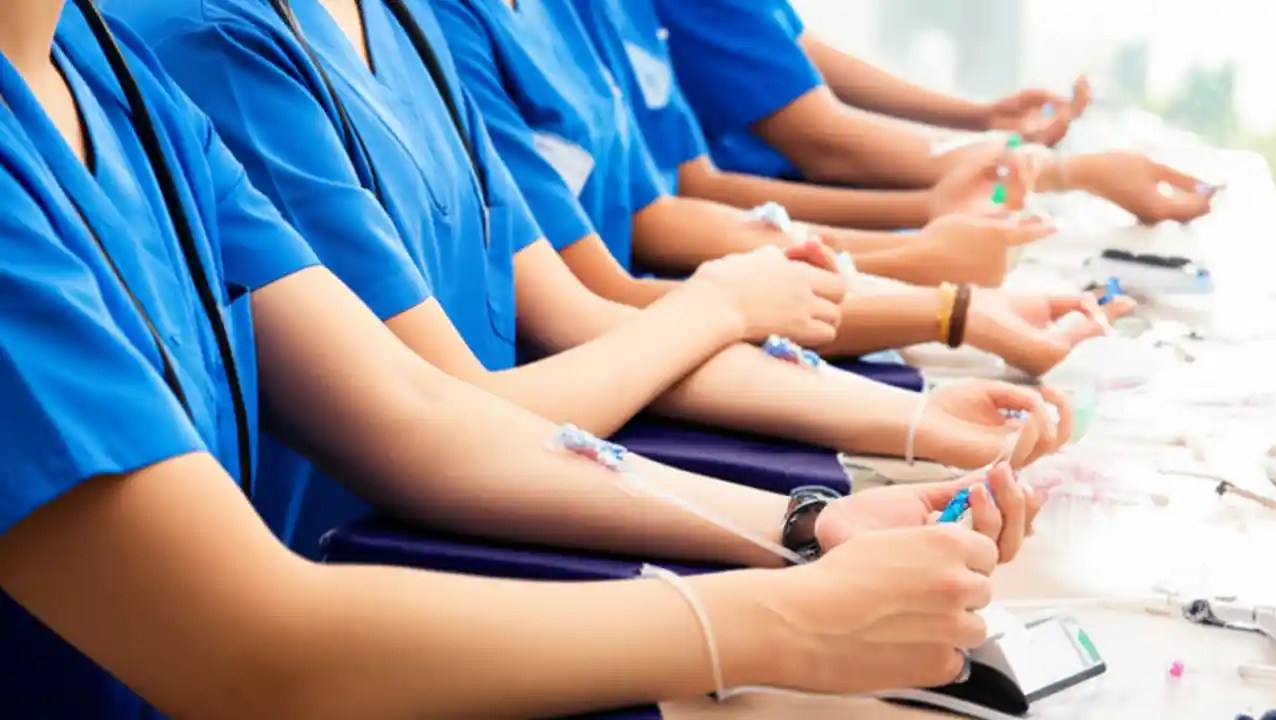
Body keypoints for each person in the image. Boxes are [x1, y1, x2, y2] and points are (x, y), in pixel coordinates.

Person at [0, 1, 1039, 717]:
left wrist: (805, 528)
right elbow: (251, 652)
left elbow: (423, 421)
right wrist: (773, 621)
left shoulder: (112, 73)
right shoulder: (198, 40)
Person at [109, 0, 1073, 556]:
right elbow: (462, 418)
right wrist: (931, 303)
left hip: (518, 506)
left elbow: (587, 314)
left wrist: (909, 425)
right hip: (390, 557)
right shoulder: (212, 44)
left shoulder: (406, 24)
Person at [431, 0, 1134, 373]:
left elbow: (667, 197)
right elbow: (595, 302)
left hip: (663, 326)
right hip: (614, 352)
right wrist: (937, 288)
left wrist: (941, 265)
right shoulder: (453, 26)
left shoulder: (568, 12)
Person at [653, 0, 1217, 229]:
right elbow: (827, 142)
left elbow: (789, 49)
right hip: (770, 221)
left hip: (772, 220)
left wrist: (978, 118)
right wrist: (1069, 172)